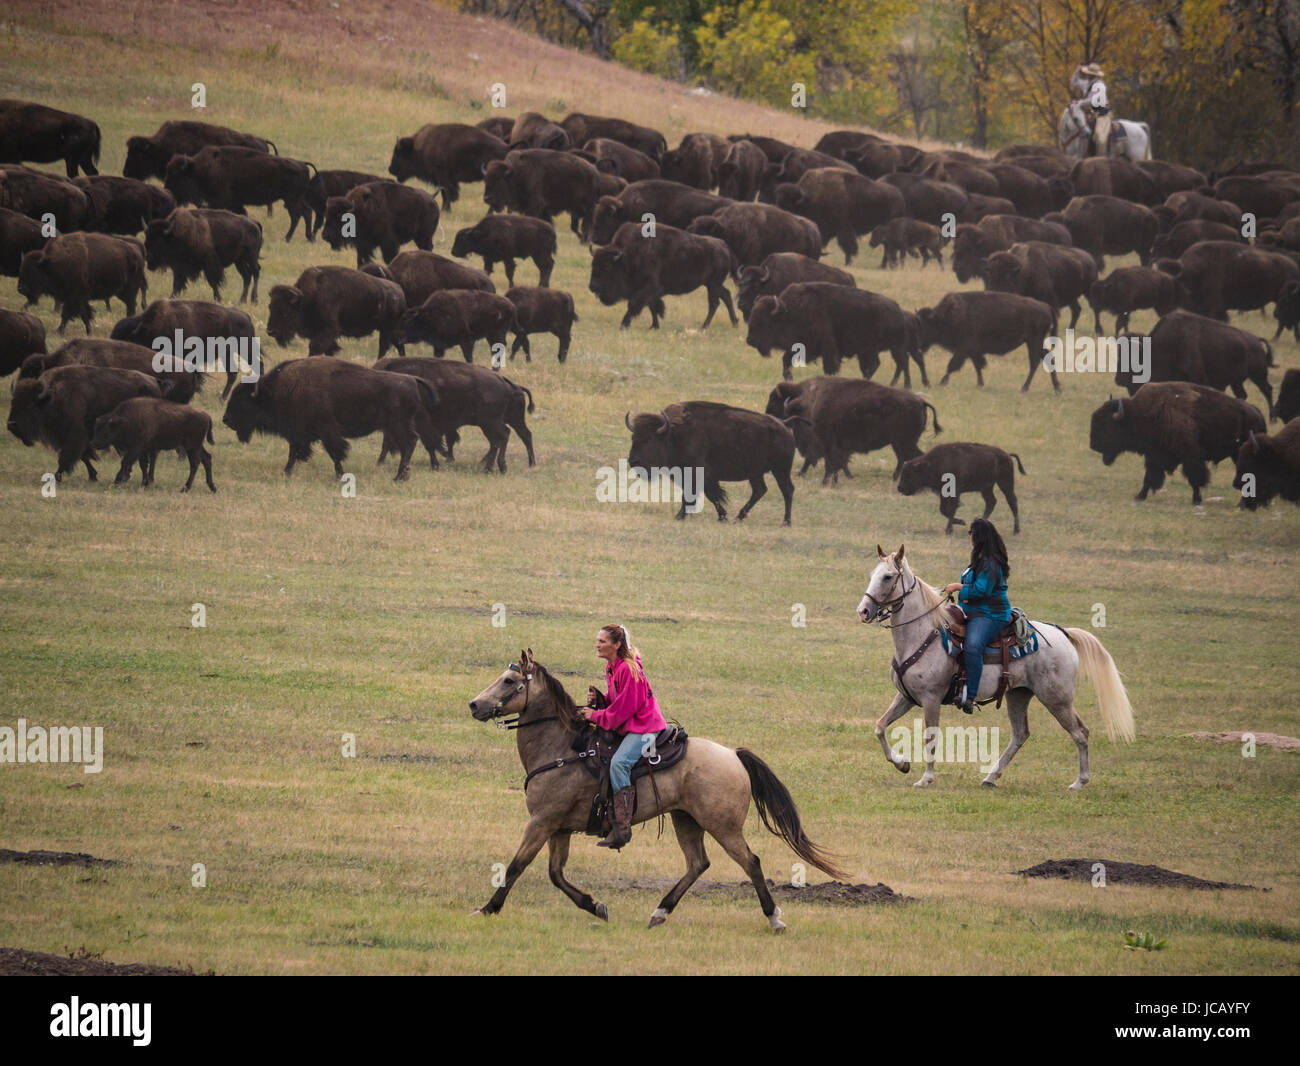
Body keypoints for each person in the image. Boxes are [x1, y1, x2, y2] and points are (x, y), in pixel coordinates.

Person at [578, 624, 667, 849]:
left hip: (644, 726)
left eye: (602, 641)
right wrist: (602, 698)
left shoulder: (627, 669)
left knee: (619, 763)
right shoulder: (612, 667)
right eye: (597, 640)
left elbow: (623, 711)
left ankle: (622, 825)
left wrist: (596, 715)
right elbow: (618, 698)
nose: (597, 644)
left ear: (617, 645)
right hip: (631, 722)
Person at [943, 518, 1011, 715]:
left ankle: (970, 696)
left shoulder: (990, 562)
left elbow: (982, 591)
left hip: (991, 614)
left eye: (970, 532)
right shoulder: (979, 559)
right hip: (971, 611)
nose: (969, 536)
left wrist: (957, 587)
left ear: (978, 535)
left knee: (973, 646)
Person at [1072, 61, 1110, 157]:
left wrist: (1079, 102)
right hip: (1091, 114)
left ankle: (1101, 158)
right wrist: (1077, 71)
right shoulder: (1087, 83)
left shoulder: (1100, 85)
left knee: (1100, 138)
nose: (1087, 75)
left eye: (1089, 73)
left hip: (1102, 114)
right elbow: (1075, 82)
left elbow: (1093, 101)